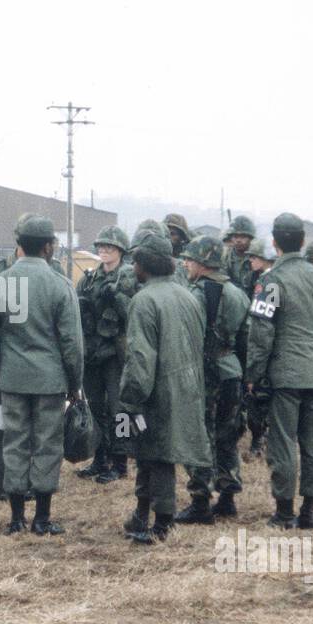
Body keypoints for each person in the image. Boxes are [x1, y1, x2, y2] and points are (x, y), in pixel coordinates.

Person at [0, 215, 83, 535]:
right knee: (47, 445)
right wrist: (74, 383)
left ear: (19, 245)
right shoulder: (61, 285)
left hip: (11, 379)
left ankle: (14, 519)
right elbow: (72, 343)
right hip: (50, 380)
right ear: (49, 246)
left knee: (14, 443)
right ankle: (42, 518)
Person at [246, 214, 313, 529]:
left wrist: (254, 374)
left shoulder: (272, 281)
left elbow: (262, 332)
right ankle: (309, 511)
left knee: (283, 442)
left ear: (274, 242)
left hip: (285, 374)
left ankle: (285, 512)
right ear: (302, 241)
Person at [119, 229, 211, 543]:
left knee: (157, 455)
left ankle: (162, 523)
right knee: (152, 453)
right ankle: (142, 514)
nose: (133, 267)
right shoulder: (188, 295)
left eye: (135, 261)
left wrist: (130, 401)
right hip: (188, 387)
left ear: (144, 264)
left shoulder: (143, 301)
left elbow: (140, 358)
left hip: (156, 391)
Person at [174, 235, 250, 523]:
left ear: (203, 263)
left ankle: (200, 501)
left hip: (204, 374)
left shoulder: (195, 295)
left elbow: (185, 338)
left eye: (189, 259)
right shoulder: (238, 294)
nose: (185, 263)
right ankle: (228, 497)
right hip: (231, 371)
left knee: (198, 436)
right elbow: (246, 338)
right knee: (227, 435)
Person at [74, 226, 137, 483]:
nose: (104, 251)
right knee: (96, 408)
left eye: (109, 247)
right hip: (93, 352)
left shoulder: (129, 278)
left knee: (119, 411)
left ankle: (120, 462)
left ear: (121, 250)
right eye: (101, 246)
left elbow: (135, 314)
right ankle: (100, 458)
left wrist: (118, 298)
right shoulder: (89, 277)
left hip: (116, 353)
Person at [241, 237, 276, 457]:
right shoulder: (257, 279)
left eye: (253, 257)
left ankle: (259, 441)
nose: (250, 260)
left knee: (258, 396)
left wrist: (254, 367)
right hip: (266, 347)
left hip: (264, 349)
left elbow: (264, 324)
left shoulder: (268, 283)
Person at [222, 215, 256, 296]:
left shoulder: (256, 259)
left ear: (250, 238)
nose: (238, 240)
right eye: (235, 236)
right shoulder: (225, 257)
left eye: (243, 236)